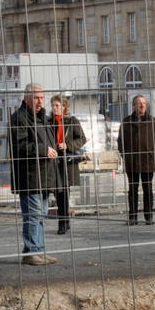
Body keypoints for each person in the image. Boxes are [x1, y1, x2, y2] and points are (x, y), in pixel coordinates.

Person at [8, 83, 59, 265]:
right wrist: (44, 149)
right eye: (37, 98)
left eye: (42, 98)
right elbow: (20, 147)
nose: (40, 101)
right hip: (29, 176)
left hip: (44, 175)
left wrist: (51, 150)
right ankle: (31, 252)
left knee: (41, 214)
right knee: (33, 214)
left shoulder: (42, 118)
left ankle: (39, 249)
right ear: (27, 98)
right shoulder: (19, 118)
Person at [118, 93, 155, 225]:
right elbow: (120, 141)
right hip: (131, 162)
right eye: (139, 103)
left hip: (147, 162)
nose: (142, 106)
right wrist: (125, 155)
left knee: (147, 189)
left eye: (144, 103)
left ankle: (148, 216)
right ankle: (133, 217)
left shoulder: (152, 121)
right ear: (134, 106)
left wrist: (153, 154)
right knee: (132, 190)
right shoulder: (126, 122)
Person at [49, 95, 87, 235]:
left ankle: (63, 223)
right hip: (53, 162)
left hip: (67, 162)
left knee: (64, 192)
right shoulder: (49, 122)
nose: (54, 108)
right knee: (57, 193)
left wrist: (68, 145)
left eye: (57, 106)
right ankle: (64, 221)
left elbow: (82, 138)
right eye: (53, 105)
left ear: (64, 107)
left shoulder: (72, 121)